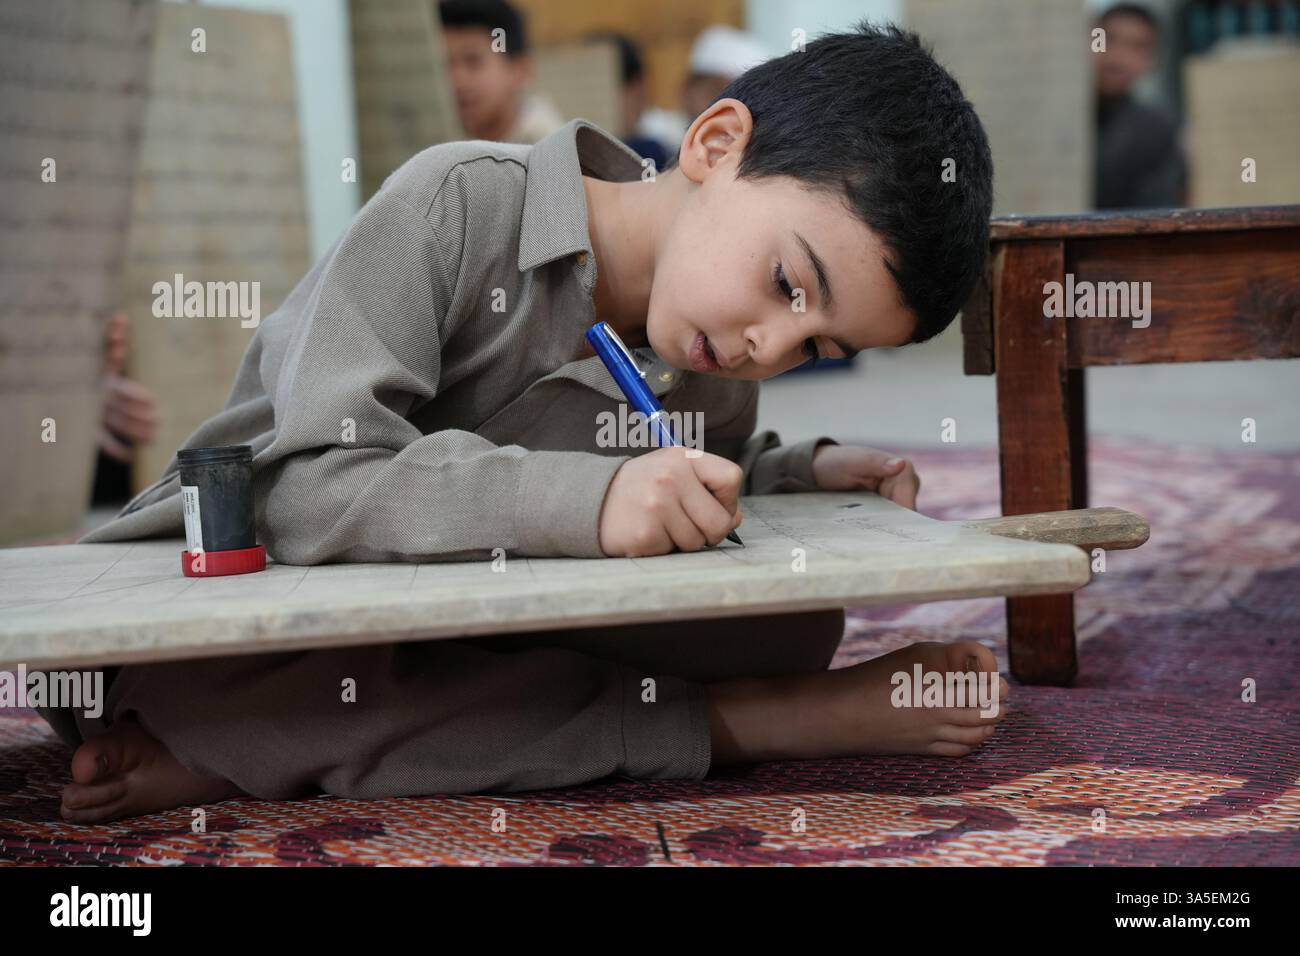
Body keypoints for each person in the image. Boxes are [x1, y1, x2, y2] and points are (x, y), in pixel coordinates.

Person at [46, 23, 1004, 824]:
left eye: (818, 348)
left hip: (450, 635)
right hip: (241, 611)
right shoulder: (458, 204)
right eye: (791, 285)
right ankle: (753, 725)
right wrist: (589, 504)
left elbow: (694, 472)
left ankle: (261, 759)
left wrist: (799, 470)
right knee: (213, 680)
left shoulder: (709, 353)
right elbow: (305, 486)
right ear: (715, 144)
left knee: (788, 621)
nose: (771, 344)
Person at [1092, 2, 1186, 208]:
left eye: (1136, 47)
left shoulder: (1156, 130)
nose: (1117, 57)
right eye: (1106, 39)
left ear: (1152, 60)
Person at [438, 0, 565, 145]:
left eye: (473, 61)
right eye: (446, 65)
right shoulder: (443, 144)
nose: (457, 80)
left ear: (520, 69)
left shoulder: (553, 152)